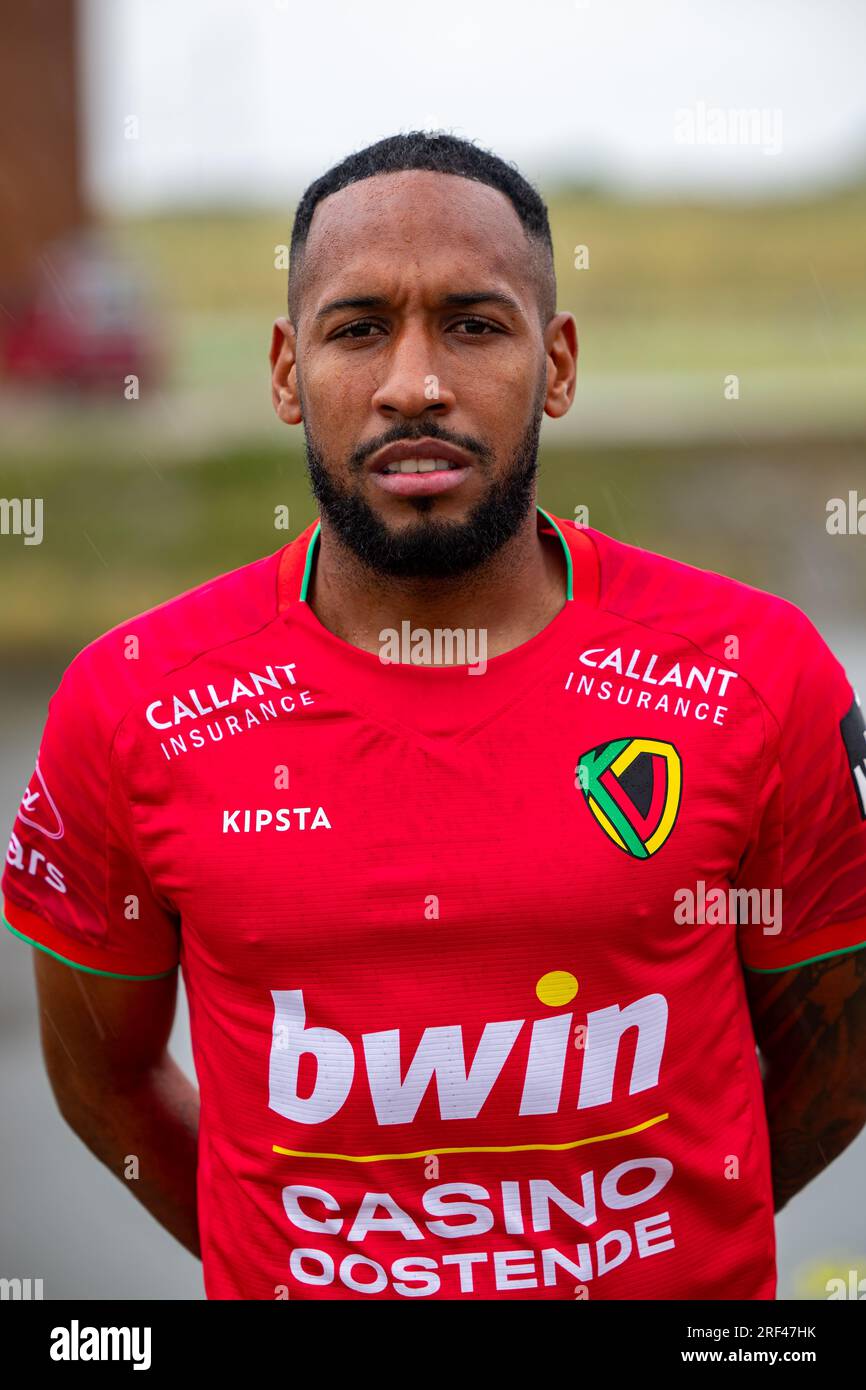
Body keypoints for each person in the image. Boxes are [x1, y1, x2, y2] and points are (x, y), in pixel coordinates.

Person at [4, 132, 866, 1302]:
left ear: (555, 364)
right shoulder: (134, 701)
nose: (414, 383)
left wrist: (667, 1251)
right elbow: (103, 1087)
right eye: (357, 329)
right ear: (282, 371)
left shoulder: (753, 670)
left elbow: (840, 1059)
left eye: (474, 323)